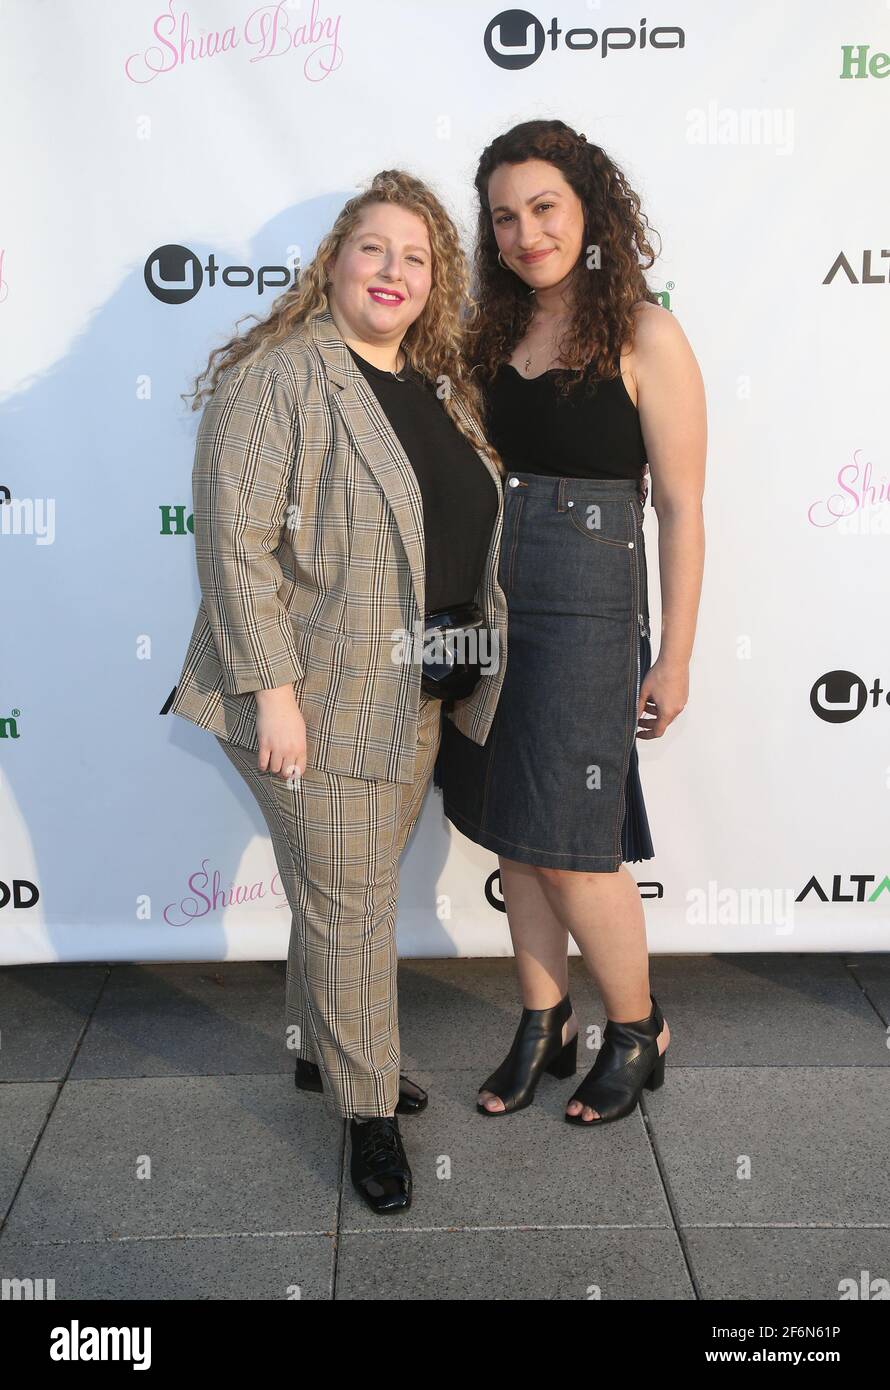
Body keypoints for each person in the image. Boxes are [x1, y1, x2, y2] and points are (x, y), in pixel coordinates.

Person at [169, 170, 508, 1211]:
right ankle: (365, 1114)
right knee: (353, 905)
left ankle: (322, 1050)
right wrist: (274, 693)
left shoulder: (430, 382)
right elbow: (235, 549)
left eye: (416, 256)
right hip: (308, 700)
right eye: (374, 249)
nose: (393, 270)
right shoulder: (282, 374)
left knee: (337, 892)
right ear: (335, 261)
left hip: (408, 692)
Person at [434, 120, 706, 1125]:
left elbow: (678, 508)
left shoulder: (644, 333)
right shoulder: (488, 329)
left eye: (543, 206)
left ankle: (638, 1027)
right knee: (516, 828)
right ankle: (542, 1020)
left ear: (587, 206)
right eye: (503, 216)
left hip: (590, 606)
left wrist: (672, 655)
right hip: (493, 600)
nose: (524, 231)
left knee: (571, 841)